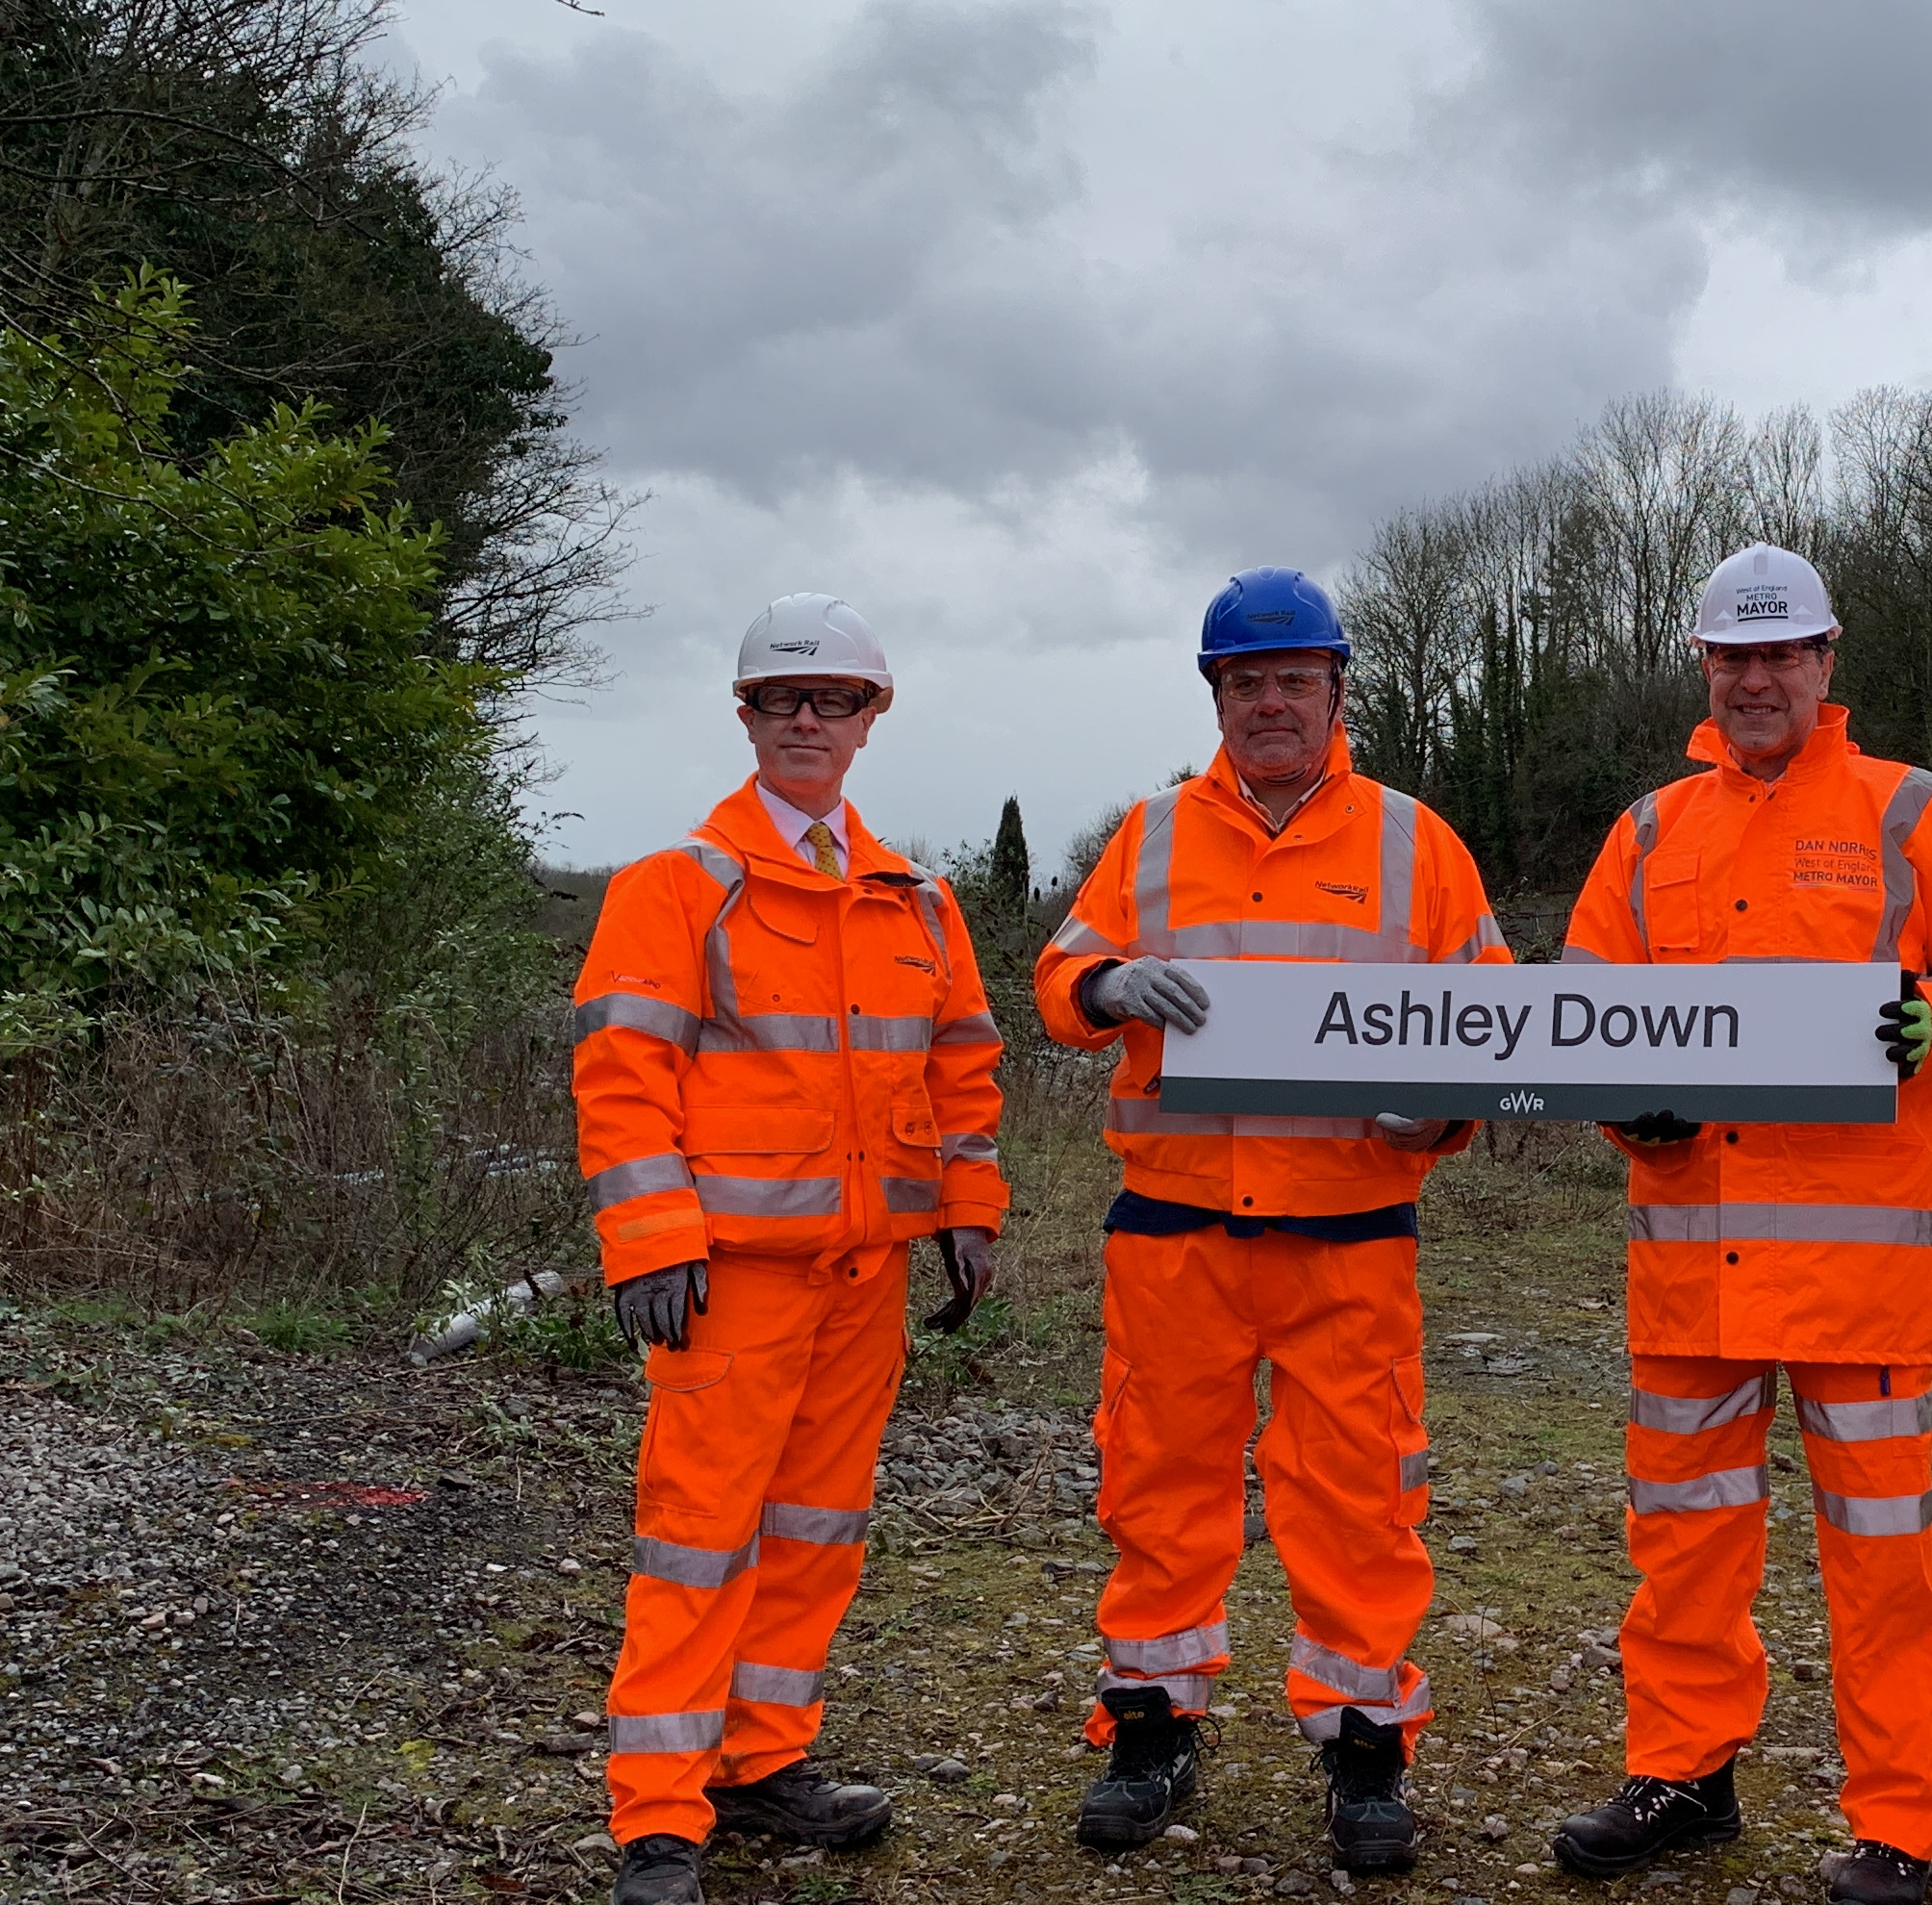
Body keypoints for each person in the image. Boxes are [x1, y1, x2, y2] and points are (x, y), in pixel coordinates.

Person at [1546, 544, 1932, 1905]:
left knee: (1883, 1570)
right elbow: (1585, 1011)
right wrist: (1623, 1112)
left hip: (1860, 1275)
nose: (1758, 679)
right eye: (1735, 656)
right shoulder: (1651, 831)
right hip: (1692, 1268)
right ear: (1706, 670)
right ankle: (1682, 1774)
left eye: (1781, 655)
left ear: (1828, 665)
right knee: (1683, 1546)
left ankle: (1898, 1826)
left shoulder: (1912, 814)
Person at [1034, 566, 1513, 1871]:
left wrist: (1437, 1119)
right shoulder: (1151, 835)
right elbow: (1061, 977)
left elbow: (1493, 1027)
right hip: (1175, 1230)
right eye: (1245, 684)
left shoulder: (1416, 842)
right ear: (1217, 698)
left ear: (1337, 691)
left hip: (1346, 1234)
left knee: (1358, 1501)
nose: (1270, 704)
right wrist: (1110, 983)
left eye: (1293, 680)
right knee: (1157, 1486)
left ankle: (1365, 1751)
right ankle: (1151, 1727)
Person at [574, 595, 1011, 1905]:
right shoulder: (679, 890)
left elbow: (962, 1070)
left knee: (816, 1535)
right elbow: (622, 1069)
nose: (808, 720)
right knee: (698, 1539)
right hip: (730, 1284)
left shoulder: (918, 901)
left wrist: (968, 1217)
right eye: (784, 699)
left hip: (865, 1280)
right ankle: (660, 1813)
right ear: (748, 717)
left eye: (836, 700)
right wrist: (648, 1237)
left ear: (875, 719)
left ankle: (763, 1764)